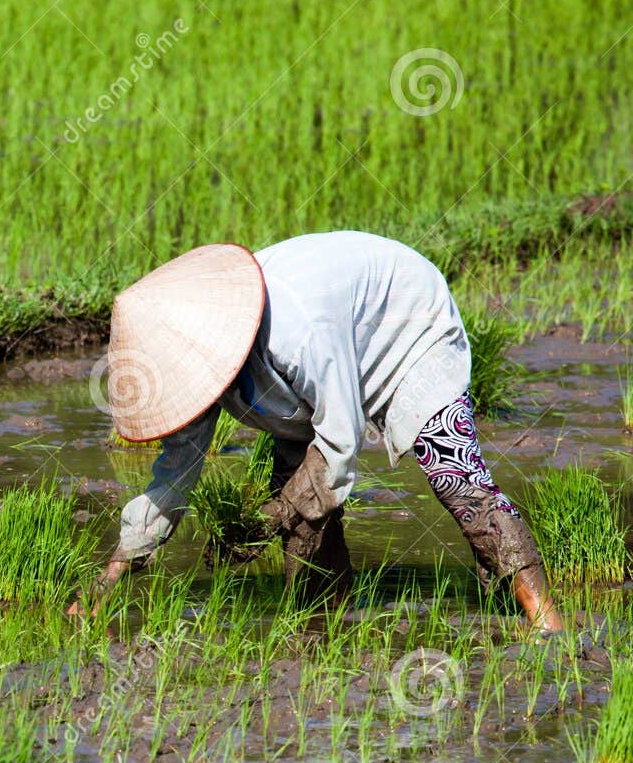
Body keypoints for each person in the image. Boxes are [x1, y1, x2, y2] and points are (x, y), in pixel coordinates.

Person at [75, 233, 563, 631]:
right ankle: (321, 622)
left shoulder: (299, 329)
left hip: (406, 324)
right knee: (299, 501)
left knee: (453, 473)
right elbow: (175, 473)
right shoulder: (200, 363)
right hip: (314, 371)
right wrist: (112, 573)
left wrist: (264, 521)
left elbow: (340, 441)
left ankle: (547, 623)